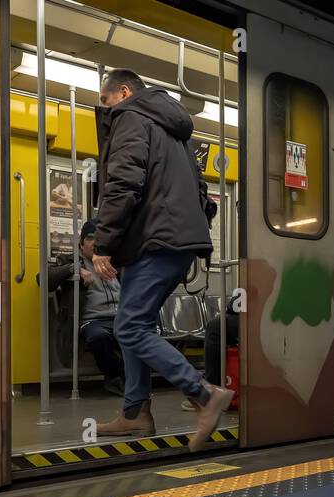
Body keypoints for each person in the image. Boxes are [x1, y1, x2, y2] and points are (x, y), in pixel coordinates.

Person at [90, 68, 232, 450]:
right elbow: (203, 194)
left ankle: (203, 393)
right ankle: (135, 414)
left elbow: (123, 183)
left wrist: (104, 243)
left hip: (154, 241)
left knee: (129, 328)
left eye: (105, 102)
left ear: (122, 92)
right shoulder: (176, 132)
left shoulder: (131, 117)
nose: (105, 111)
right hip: (174, 241)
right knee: (137, 324)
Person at [47, 219, 125, 396]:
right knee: (99, 338)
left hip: (121, 316)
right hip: (93, 319)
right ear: (81, 244)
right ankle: (115, 377)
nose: (96, 243)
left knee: (140, 333)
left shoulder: (115, 262)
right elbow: (43, 278)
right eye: (90, 238)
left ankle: (129, 379)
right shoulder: (71, 260)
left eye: (100, 239)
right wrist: (75, 269)